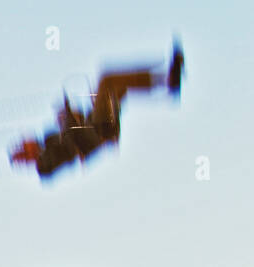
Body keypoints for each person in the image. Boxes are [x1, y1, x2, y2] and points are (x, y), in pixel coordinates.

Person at [10, 41, 183, 180]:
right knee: (108, 81)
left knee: (116, 85)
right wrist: (68, 116)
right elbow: (71, 145)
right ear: (27, 154)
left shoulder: (48, 140)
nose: (29, 138)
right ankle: (167, 80)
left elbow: (75, 129)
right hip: (102, 129)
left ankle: (167, 79)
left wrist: (71, 115)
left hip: (98, 125)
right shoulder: (45, 163)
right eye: (26, 143)